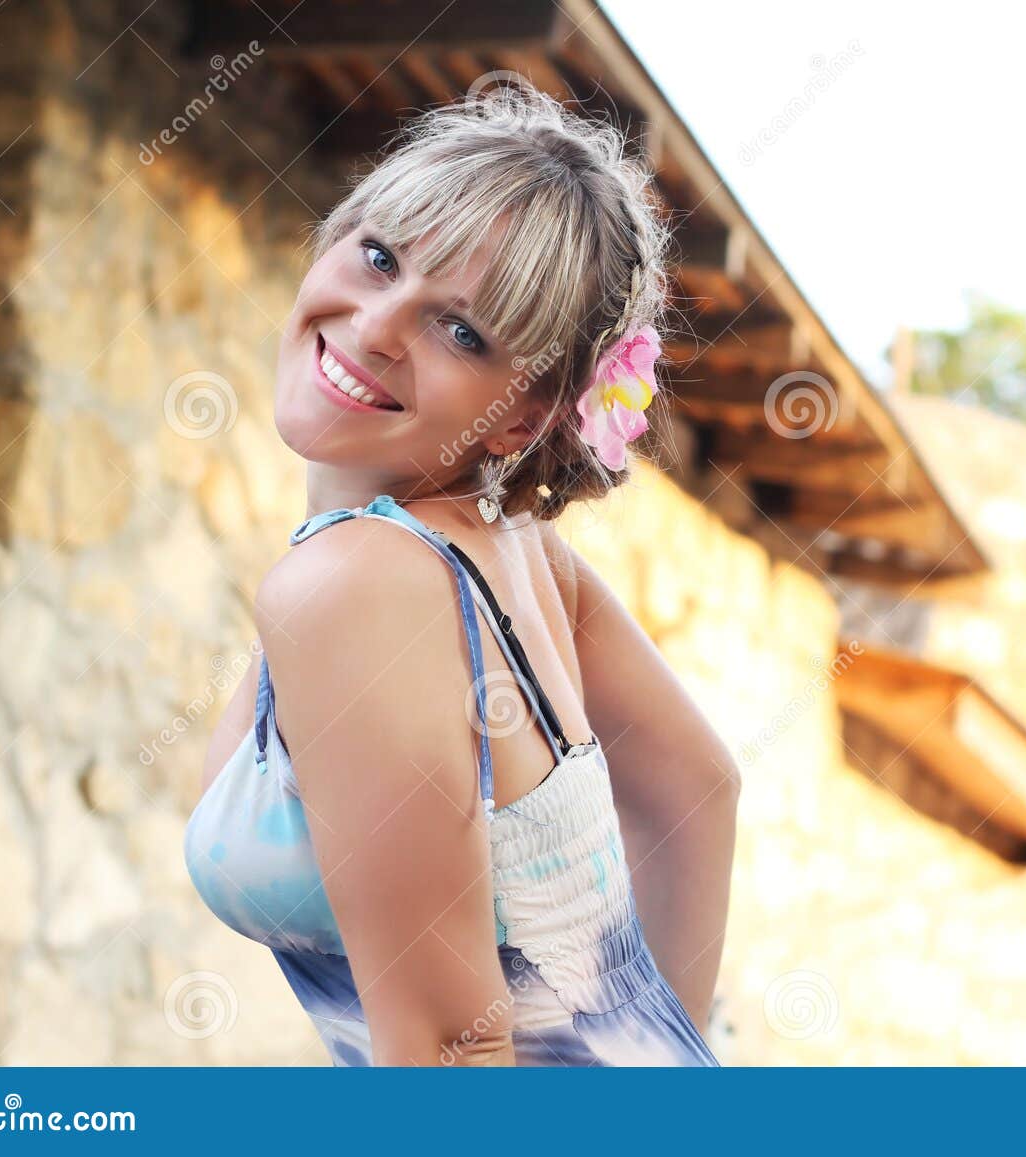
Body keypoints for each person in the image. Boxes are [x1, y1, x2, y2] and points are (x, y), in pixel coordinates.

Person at [184, 86, 742, 1067]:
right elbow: (698, 784)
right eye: (380, 255)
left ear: (525, 417)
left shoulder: (362, 583)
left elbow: (450, 1046)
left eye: (461, 331)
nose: (376, 325)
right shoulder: (513, 553)